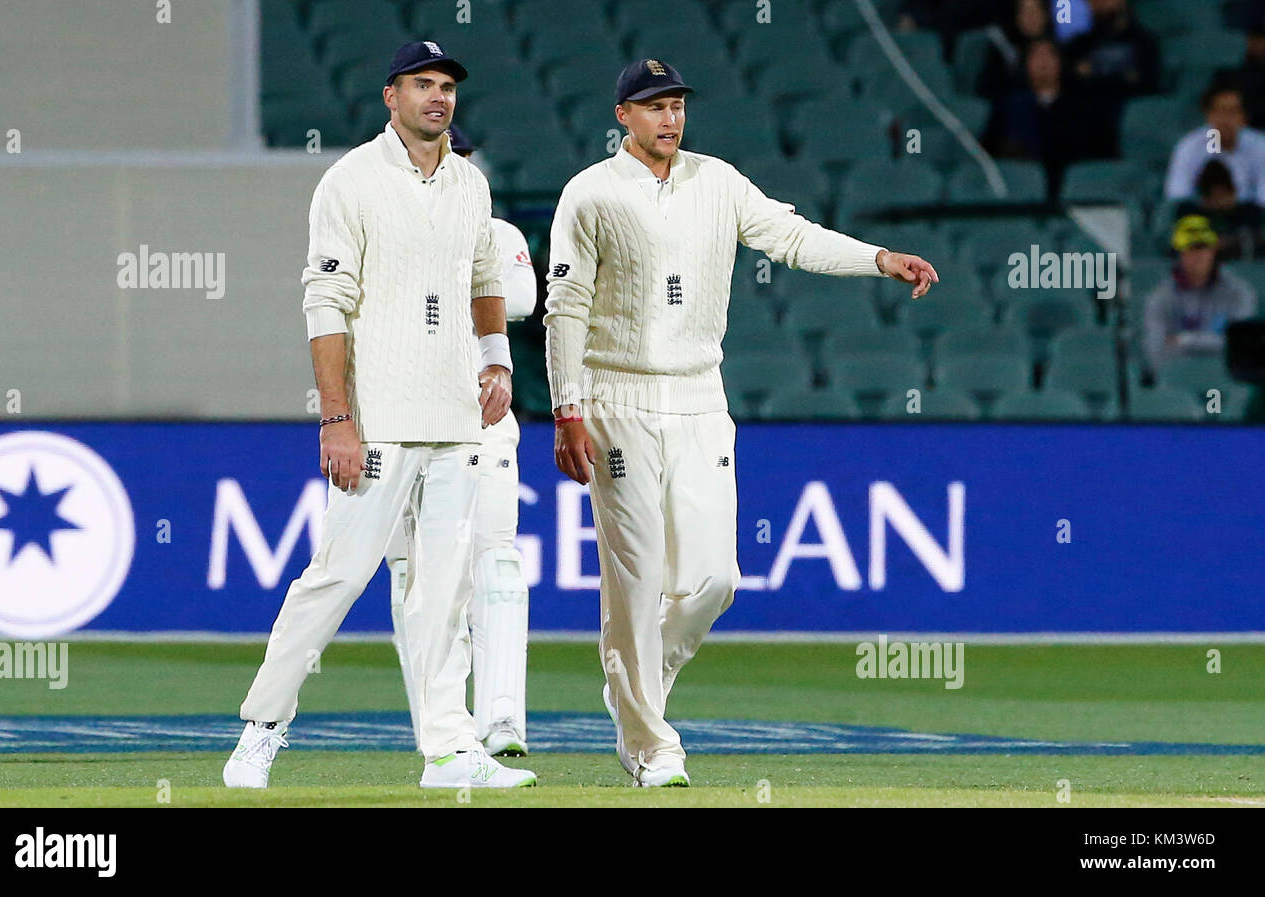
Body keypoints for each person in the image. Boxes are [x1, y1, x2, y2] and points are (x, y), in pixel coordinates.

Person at [544, 59, 938, 787]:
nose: (670, 118)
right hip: (616, 400)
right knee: (633, 583)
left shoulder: (717, 182)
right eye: (654, 106)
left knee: (716, 579)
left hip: (699, 399)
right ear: (623, 115)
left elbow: (793, 237)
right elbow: (564, 307)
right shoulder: (589, 193)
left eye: (678, 105)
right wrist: (567, 406)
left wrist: (877, 258)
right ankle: (653, 745)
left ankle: (633, 693)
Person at [223, 40, 536, 790]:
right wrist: (337, 418)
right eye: (422, 84)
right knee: (336, 578)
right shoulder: (350, 182)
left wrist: (496, 356)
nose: (438, 97)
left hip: (457, 421)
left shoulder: (469, 184)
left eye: (447, 87)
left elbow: (487, 276)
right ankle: (261, 730)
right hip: (379, 423)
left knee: (445, 590)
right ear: (390, 96)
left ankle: (449, 749)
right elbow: (324, 303)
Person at [390, 124, 538, 758]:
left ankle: (502, 720)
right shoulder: (378, 223)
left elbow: (524, 298)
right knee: (413, 573)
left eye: (464, 158)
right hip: (399, 423)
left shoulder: (498, 236)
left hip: (481, 422)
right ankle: (437, 727)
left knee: (496, 562)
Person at [982, 38, 1115, 199]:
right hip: (1021, 193)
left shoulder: (1085, 108)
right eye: (1036, 56)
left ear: (1060, 62)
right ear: (1026, 64)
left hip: (1073, 192)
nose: (1043, 62)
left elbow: (1101, 157)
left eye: (1050, 55)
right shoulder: (1008, 108)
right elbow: (989, 154)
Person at [1142, 215, 1258, 376]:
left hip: (1226, 376)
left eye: (1202, 247)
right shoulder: (1160, 296)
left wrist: (1184, 340)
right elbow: (1156, 349)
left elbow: (1240, 347)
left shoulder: (1238, 292)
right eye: (1190, 248)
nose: (1197, 256)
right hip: (1177, 377)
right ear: (1180, 253)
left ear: (1212, 250)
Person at [1166, 82, 1265, 207]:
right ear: (1208, 115)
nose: (1225, 119)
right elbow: (1177, 195)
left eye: (1232, 111)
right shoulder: (1190, 147)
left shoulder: (1260, 146)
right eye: (1220, 111)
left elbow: (1263, 199)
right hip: (1201, 215)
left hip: (1248, 218)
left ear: (1244, 117)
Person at [1174, 159, 1265, 261]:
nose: (1220, 202)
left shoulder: (1251, 213)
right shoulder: (1189, 214)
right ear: (1205, 199)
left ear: (1233, 193)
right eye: (1215, 197)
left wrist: (1231, 242)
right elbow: (1178, 244)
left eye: (1223, 195)